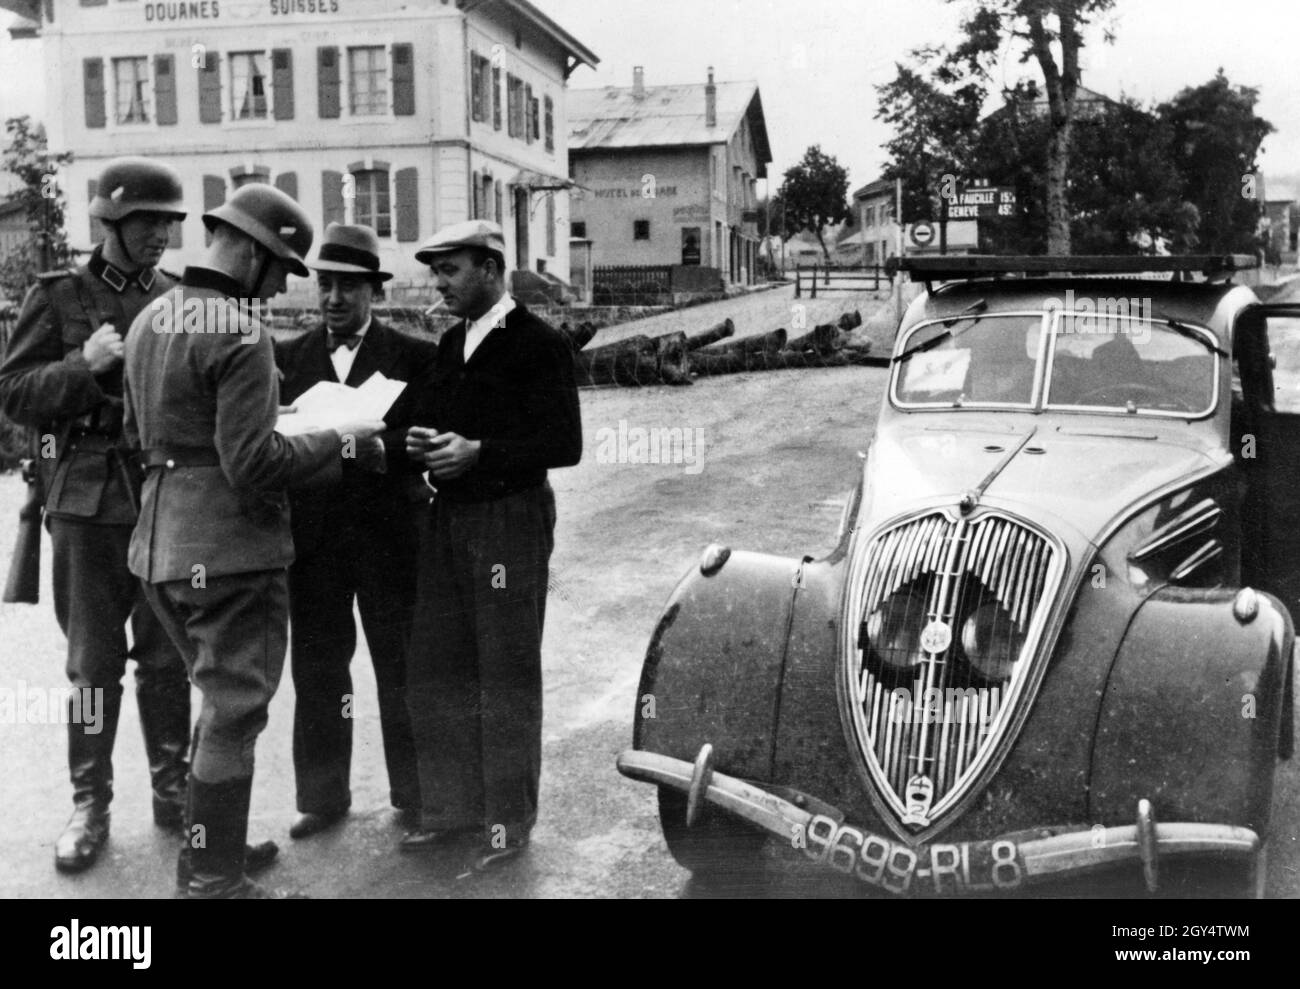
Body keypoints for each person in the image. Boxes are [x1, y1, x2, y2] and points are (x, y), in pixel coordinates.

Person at [122, 184, 385, 898]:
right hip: (231, 554)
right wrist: (339, 439)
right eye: (281, 271)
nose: (278, 289)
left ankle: (214, 851)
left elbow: (140, 435)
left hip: (160, 547)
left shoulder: (151, 317)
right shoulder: (240, 330)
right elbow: (252, 463)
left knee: (215, 705)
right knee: (235, 713)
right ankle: (213, 882)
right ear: (254, 253)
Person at [0, 156, 194, 873]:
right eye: (147, 223)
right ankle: (90, 805)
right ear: (110, 222)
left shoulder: (179, 298)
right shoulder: (58, 296)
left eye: (168, 224)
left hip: (164, 495)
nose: (160, 236)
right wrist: (84, 365)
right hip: (86, 500)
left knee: (169, 656)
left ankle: (176, 795)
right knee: (92, 668)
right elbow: (14, 394)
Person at [401, 219, 582, 871]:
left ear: (490, 268)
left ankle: (507, 822)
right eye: (435, 270)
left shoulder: (539, 344)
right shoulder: (452, 342)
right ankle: (449, 811)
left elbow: (564, 444)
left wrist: (480, 452)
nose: (438, 282)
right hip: (450, 518)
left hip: (510, 518)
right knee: (439, 664)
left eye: (450, 269)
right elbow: (428, 419)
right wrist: (420, 441)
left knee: (504, 671)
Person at [274, 223, 437, 839]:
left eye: (349, 286)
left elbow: (425, 439)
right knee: (318, 666)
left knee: (402, 663)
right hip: (314, 540)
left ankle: (417, 795)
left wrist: (382, 449)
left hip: (391, 533)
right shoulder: (287, 357)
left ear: (375, 291)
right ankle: (321, 797)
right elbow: (271, 439)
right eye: (326, 285)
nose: (334, 298)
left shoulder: (414, 357)